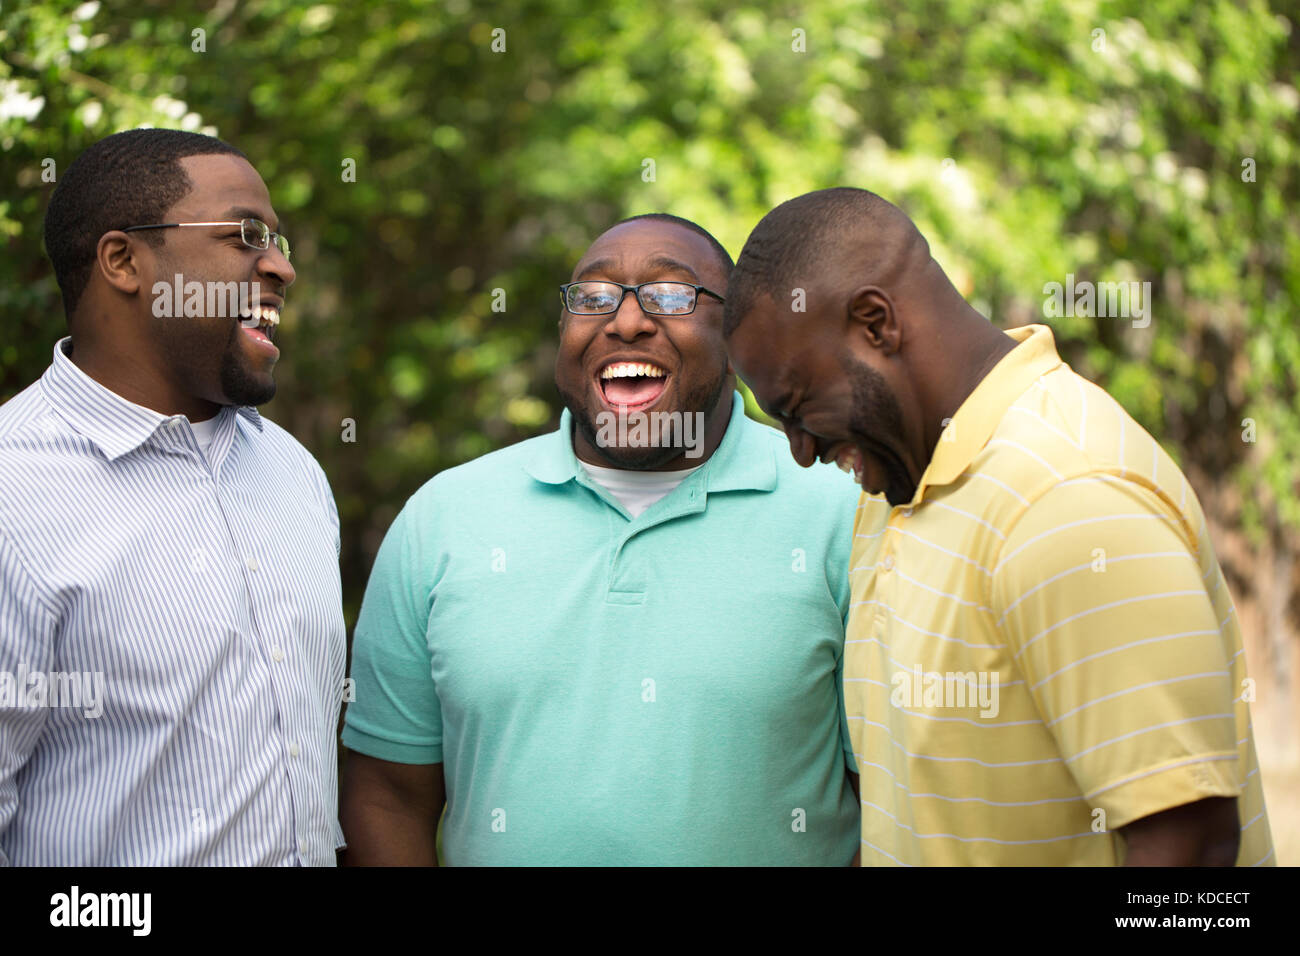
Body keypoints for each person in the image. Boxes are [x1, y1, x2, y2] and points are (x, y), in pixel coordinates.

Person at [722, 186, 1275, 866]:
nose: (800, 452)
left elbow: (1193, 848)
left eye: (798, 406)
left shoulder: (1068, 498)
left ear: (876, 324)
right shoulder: (899, 485)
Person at [340, 214, 861, 865]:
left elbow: (893, 795)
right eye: (593, 297)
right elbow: (388, 794)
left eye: (672, 294)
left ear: (737, 337)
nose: (627, 320)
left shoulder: (843, 510)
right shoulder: (444, 518)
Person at [0, 129, 346, 865]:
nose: (282, 266)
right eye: (247, 235)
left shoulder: (295, 472)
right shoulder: (13, 490)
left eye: (279, 240)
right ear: (125, 261)